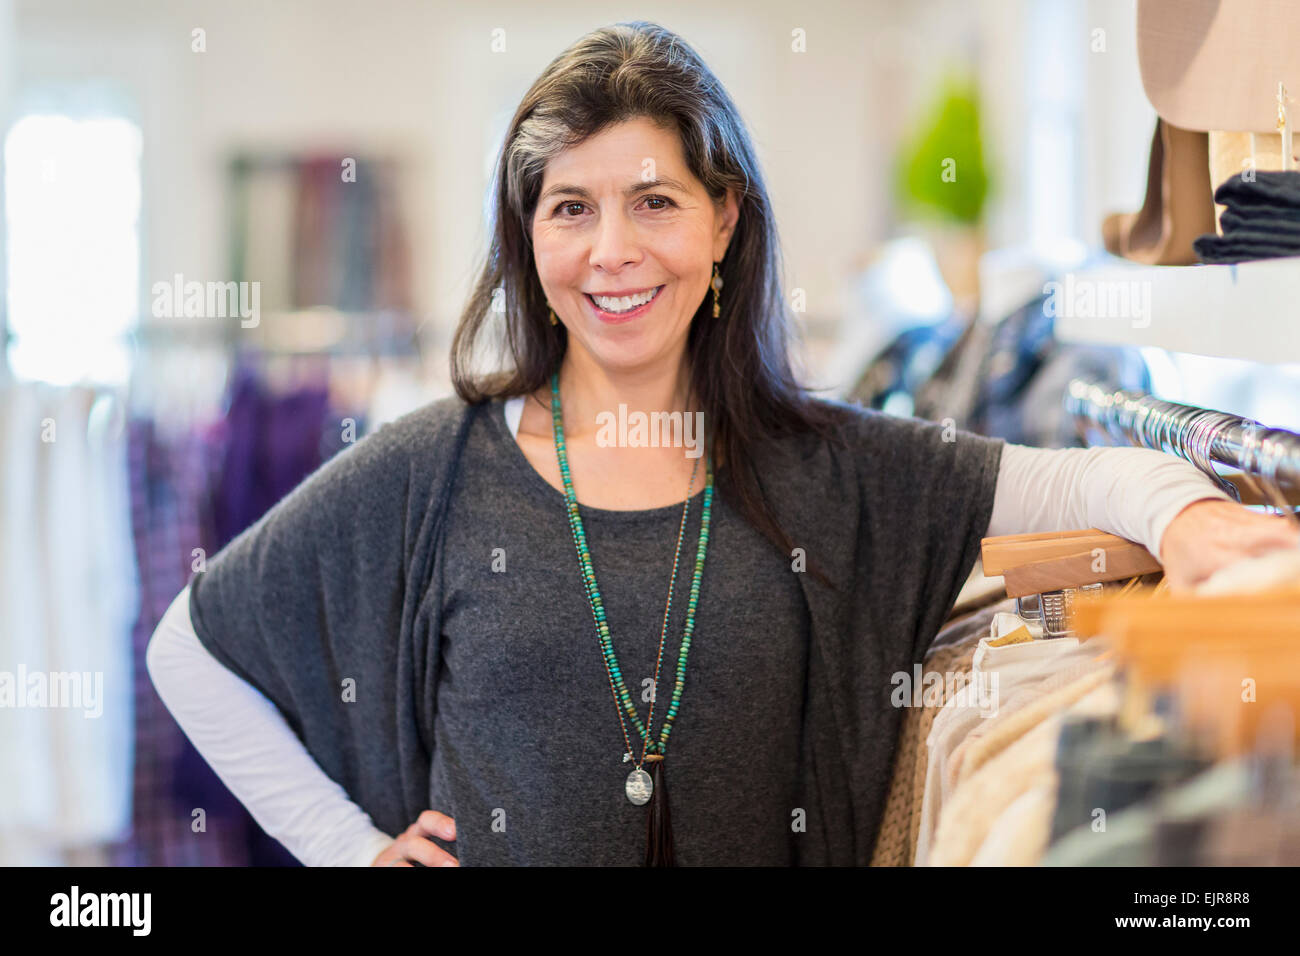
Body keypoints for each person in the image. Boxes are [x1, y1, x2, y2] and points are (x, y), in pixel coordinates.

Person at [147, 21, 1299, 867]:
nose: (613, 251)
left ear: (723, 218)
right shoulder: (428, 470)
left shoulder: (833, 466)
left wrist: (1191, 516)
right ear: (527, 237)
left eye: (654, 201)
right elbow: (189, 650)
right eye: (569, 207)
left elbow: (1070, 472)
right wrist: (348, 850)